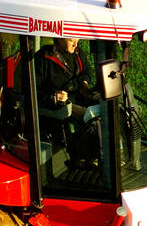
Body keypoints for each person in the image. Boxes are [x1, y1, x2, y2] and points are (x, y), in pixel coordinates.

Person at [33, 36, 100, 164]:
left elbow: (86, 72)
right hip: (57, 106)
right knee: (90, 116)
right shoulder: (42, 58)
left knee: (106, 108)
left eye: (77, 40)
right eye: (71, 41)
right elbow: (33, 91)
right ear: (59, 39)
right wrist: (54, 96)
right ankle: (86, 157)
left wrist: (84, 84)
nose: (76, 44)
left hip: (79, 97)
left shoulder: (77, 53)